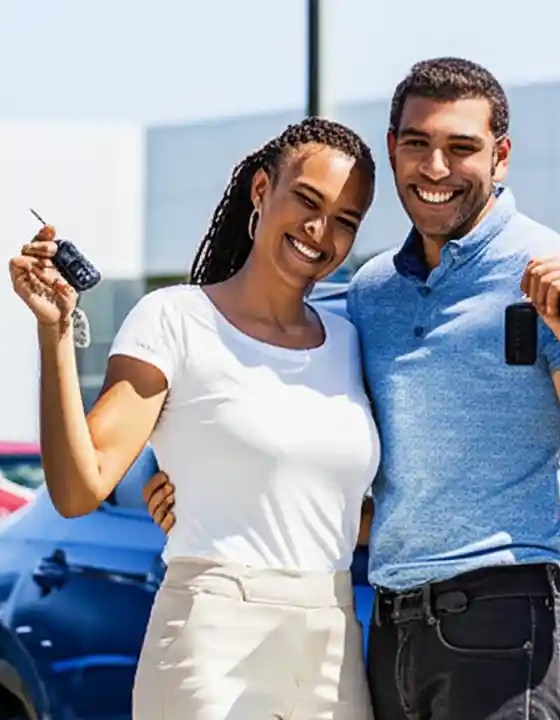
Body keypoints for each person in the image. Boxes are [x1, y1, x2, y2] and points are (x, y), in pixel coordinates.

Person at [145, 57, 560, 718]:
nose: (435, 168)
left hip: (506, 627)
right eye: (418, 144)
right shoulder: (372, 292)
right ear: (392, 149)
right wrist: (220, 494)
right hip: (389, 630)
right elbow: (364, 485)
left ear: (500, 158)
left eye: (461, 147)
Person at [9, 116, 382, 719]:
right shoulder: (175, 319)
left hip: (331, 639)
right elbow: (80, 487)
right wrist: (54, 334)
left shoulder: (350, 341)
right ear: (262, 189)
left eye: (346, 219)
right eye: (307, 201)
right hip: (213, 635)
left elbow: (338, 509)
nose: (321, 231)